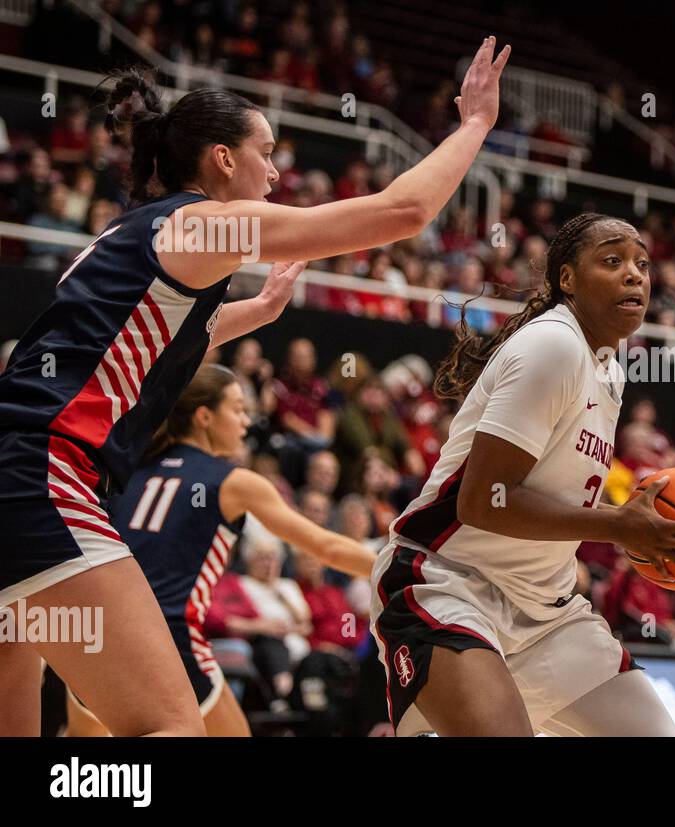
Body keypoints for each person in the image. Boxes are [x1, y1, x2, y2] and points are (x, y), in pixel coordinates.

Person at [0, 37, 508, 736]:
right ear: (223, 159)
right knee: (170, 730)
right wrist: (476, 124)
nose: (275, 172)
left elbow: (152, 343)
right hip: (43, 478)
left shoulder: (130, 238)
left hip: (14, 474)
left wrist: (260, 311)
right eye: (265, 152)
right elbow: (402, 212)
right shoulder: (201, 222)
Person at [371, 212, 675, 736]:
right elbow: (482, 501)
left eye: (643, 264)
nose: (635, 274)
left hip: (545, 611)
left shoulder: (611, 371)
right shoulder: (552, 345)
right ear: (567, 279)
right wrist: (620, 525)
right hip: (447, 581)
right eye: (612, 260)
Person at [64, 365, 376, 736]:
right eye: (237, 409)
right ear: (205, 416)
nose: (246, 420)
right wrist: (407, 563)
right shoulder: (232, 481)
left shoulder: (130, 470)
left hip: (96, 631)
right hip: (167, 636)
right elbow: (326, 546)